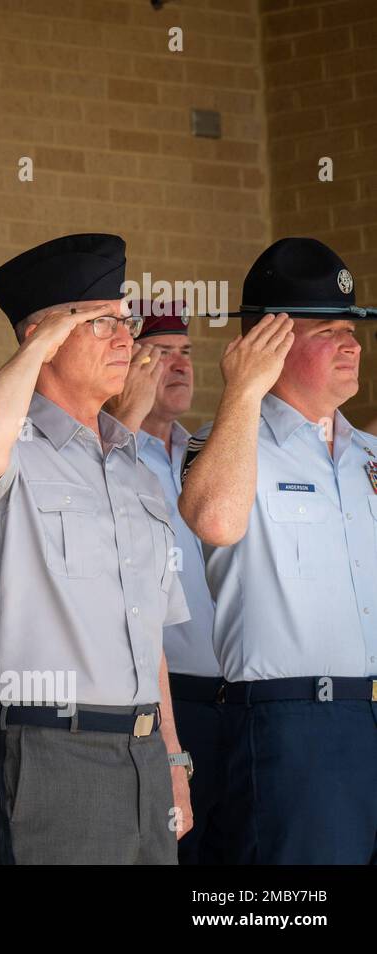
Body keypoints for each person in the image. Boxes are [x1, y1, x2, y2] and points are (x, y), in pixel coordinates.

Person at [0, 233, 192, 864]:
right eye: (100, 324)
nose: (125, 341)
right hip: (48, 751)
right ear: (42, 338)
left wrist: (172, 754)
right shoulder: (7, 444)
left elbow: (148, 634)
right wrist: (44, 341)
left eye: (126, 323)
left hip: (143, 754)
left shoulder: (133, 467)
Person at [179, 237, 377, 864]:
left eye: (354, 331)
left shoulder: (370, 459)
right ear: (272, 342)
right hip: (295, 722)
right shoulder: (229, 443)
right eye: (331, 332)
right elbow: (213, 518)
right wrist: (242, 392)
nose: (354, 346)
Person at [103, 301, 228, 864]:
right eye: (159, 354)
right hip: (157, 695)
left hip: (233, 696)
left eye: (186, 354)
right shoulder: (107, 449)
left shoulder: (211, 447)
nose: (179, 366)